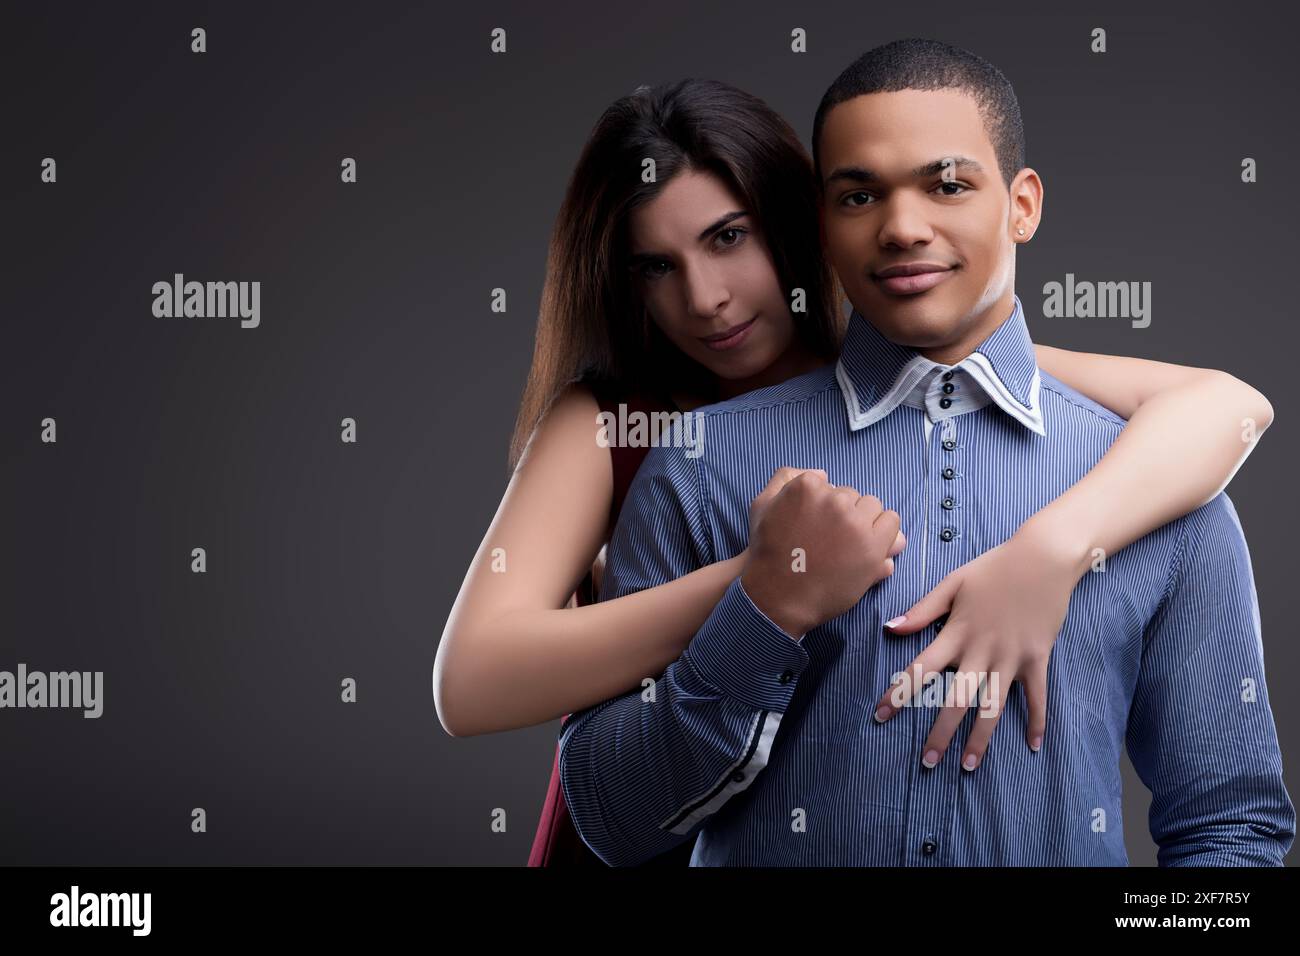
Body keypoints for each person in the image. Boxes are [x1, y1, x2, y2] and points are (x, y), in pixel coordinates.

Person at [434, 67, 1280, 866]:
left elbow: (1220, 404)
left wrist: (1046, 551)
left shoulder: (960, 353)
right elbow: (476, 687)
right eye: (656, 267)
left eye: (730, 238)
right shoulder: (633, 433)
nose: (705, 298)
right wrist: (767, 585)